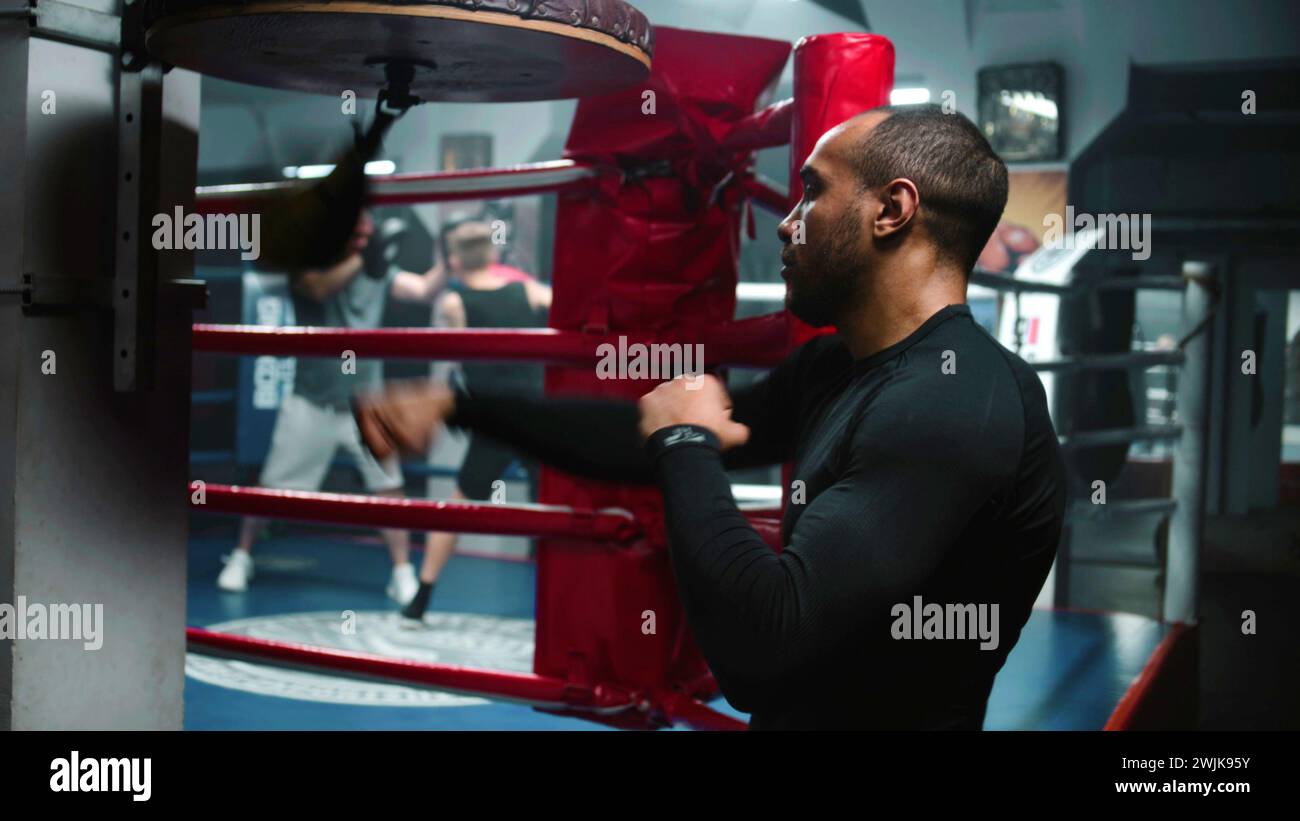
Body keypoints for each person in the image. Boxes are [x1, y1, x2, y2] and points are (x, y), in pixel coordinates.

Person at [353, 104, 1067, 729]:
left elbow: (761, 649)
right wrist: (464, 406)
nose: (786, 223)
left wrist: (686, 439)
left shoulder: (954, 402)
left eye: (812, 192)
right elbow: (642, 443)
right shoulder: (835, 368)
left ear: (892, 209)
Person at [218, 209, 451, 605]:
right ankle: (241, 556)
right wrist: (365, 257)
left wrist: (448, 253)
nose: (363, 238)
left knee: (389, 487)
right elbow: (320, 288)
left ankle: (402, 572)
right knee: (272, 486)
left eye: (367, 232)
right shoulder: (310, 262)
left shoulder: (379, 270)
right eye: (356, 232)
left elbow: (423, 291)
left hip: (367, 402)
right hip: (313, 398)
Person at [400, 219, 551, 622]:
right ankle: (566, 604)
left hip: (496, 418)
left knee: (459, 504)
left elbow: (455, 361)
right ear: (494, 253)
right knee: (556, 508)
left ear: (453, 261)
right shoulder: (531, 291)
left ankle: (423, 595)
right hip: (540, 415)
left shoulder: (454, 304)